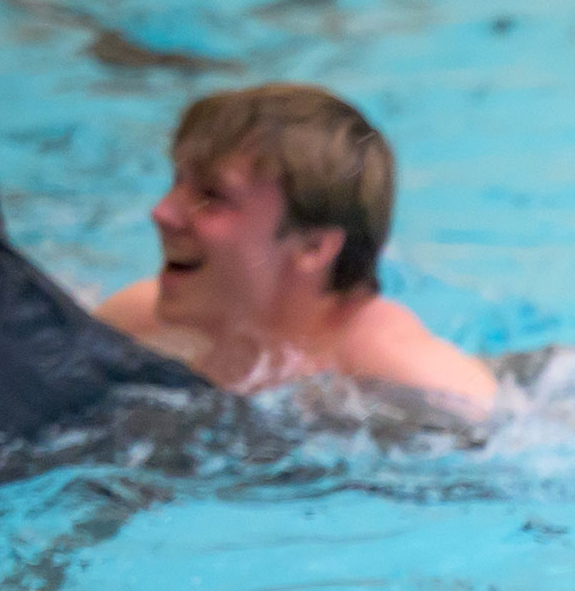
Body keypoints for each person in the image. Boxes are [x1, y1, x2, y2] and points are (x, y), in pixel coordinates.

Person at [93, 84, 499, 412]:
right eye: (177, 181)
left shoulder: (394, 370)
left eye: (210, 196)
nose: (162, 212)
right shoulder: (138, 322)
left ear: (313, 247)